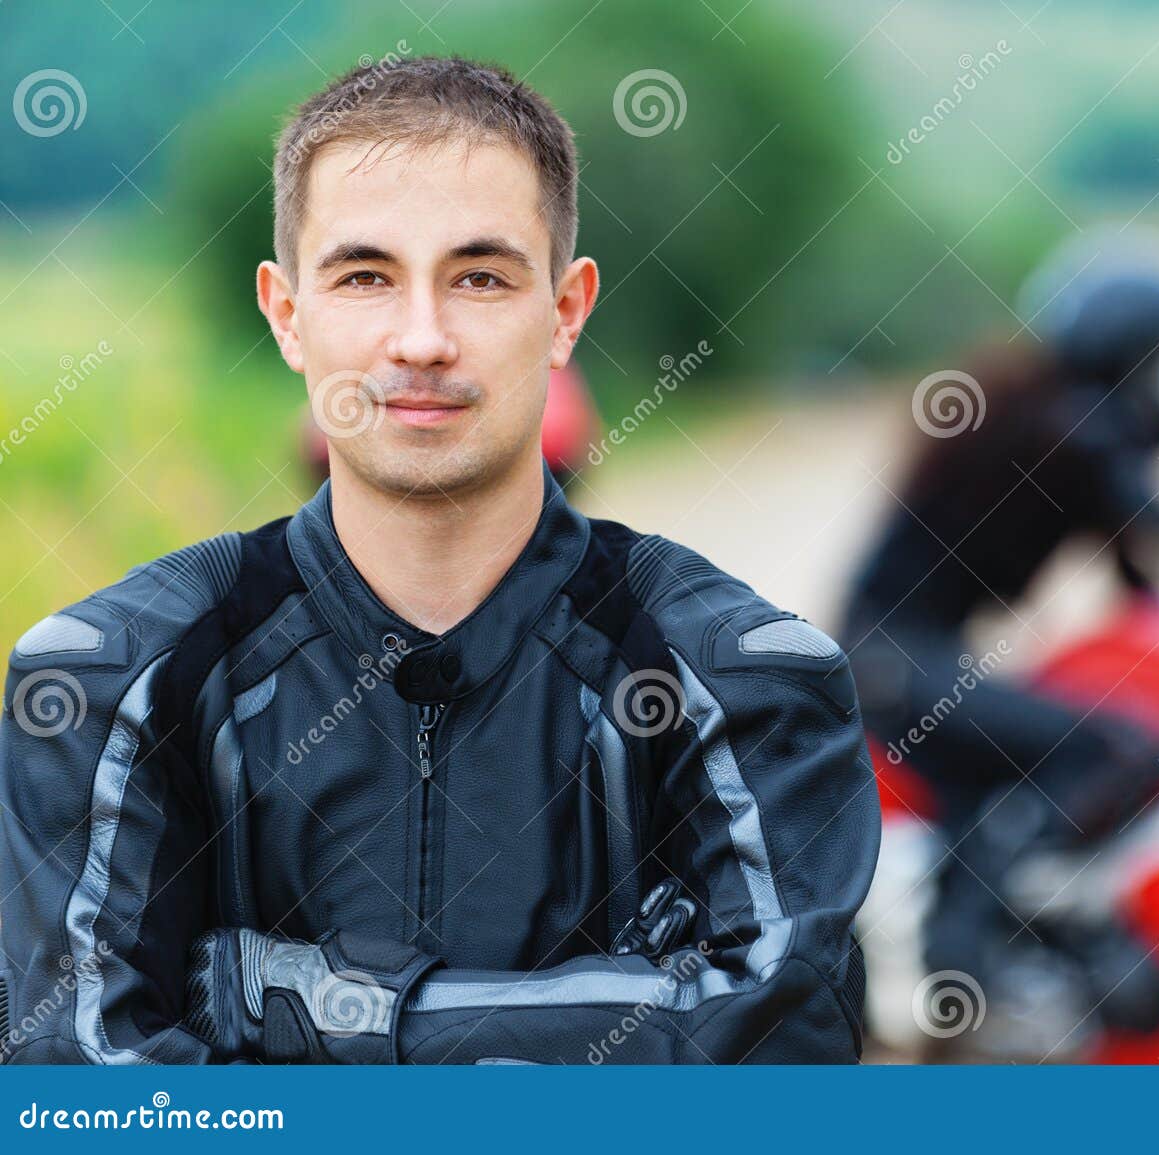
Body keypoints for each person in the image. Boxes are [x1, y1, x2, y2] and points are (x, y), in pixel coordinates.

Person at [0, 57, 877, 1065]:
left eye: (481, 277)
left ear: (565, 311)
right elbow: (82, 1094)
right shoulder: (108, 677)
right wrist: (641, 1013)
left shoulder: (745, 675)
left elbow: (789, 1044)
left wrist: (298, 1005)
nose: (421, 339)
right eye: (365, 275)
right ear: (287, 313)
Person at [842, 235, 1159, 996]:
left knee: (1105, 734)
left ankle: (1022, 942)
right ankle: (970, 933)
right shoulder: (1067, 427)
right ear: (1128, 355)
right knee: (1125, 747)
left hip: (905, 657)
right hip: (894, 663)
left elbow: (1144, 586)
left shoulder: (1057, 423)